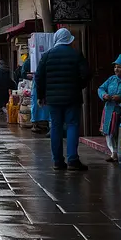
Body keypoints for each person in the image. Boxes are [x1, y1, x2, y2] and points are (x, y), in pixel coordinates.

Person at [36, 28, 91, 171]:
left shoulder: (46, 56)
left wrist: (41, 96)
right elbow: (86, 74)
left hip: (53, 99)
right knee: (72, 125)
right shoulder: (76, 54)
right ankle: (73, 159)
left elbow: (39, 78)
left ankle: (58, 161)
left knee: (56, 127)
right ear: (69, 40)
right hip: (73, 97)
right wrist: (78, 86)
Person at [99, 55, 121, 163]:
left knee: (120, 132)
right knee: (109, 132)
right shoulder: (111, 79)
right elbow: (101, 88)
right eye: (115, 67)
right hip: (109, 109)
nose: (116, 69)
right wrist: (104, 95)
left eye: (119, 67)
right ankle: (113, 152)